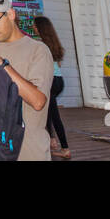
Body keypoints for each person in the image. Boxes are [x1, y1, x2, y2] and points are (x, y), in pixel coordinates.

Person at [0, 0, 51, 161]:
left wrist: (1, 63)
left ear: (10, 14)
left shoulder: (38, 50)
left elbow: (38, 101)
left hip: (31, 152)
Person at [34, 15, 71, 160]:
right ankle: (56, 144)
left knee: (50, 115)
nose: (33, 28)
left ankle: (60, 145)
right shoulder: (53, 43)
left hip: (50, 81)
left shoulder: (41, 45)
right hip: (59, 81)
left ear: (41, 28)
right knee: (50, 114)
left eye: (35, 26)